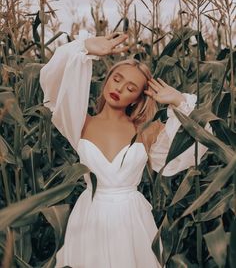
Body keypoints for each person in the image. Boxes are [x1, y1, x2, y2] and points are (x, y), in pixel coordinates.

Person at [39, 29, 208, 268]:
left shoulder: (148, 131)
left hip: (131, 220)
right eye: (117, 79)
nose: (119, 89)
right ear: (107, 78)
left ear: (139, 98)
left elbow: (200, 143)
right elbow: (53, 89)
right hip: (89, 217)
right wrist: (84, 47)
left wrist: (179, 101)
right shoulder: (79, 122)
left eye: (131, 88)